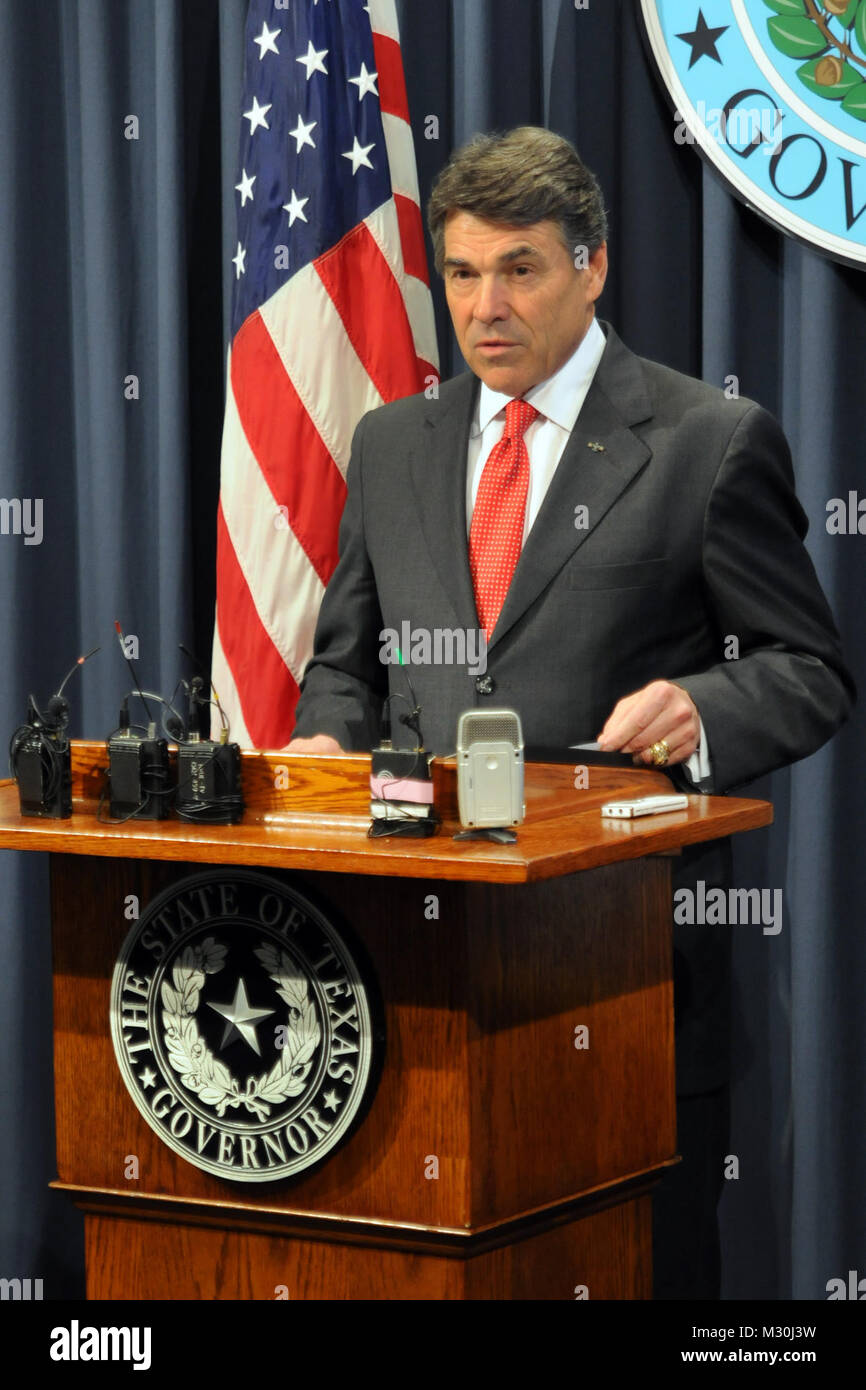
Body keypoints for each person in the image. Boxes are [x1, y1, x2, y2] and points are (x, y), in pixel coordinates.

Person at [288, 126, 854, 1297]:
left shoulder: (706, 442)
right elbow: (345, 663)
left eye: (520, 268)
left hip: (618, 981)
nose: (483, 305)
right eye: (459, 273)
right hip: (405, 979)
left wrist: (699, 705)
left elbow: (807, 668)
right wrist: (321, 745)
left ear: (591, 267)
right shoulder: (392, 442)